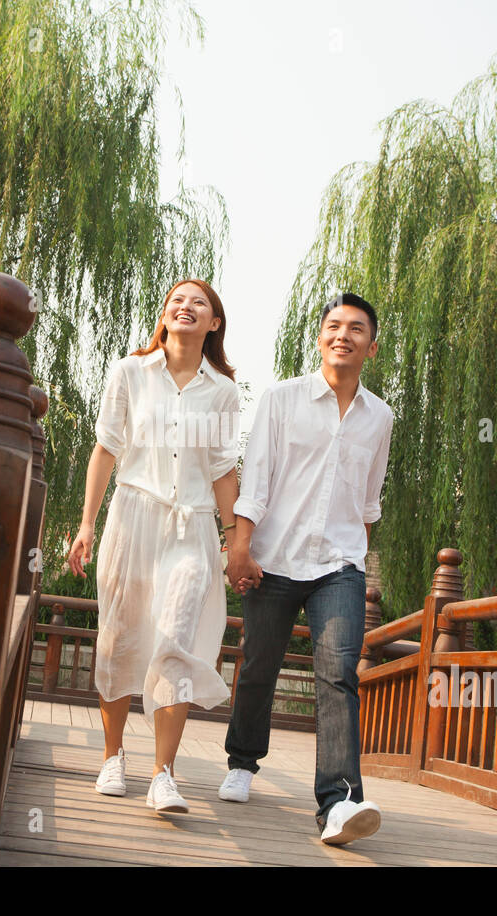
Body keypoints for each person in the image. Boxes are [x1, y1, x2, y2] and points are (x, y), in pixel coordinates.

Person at [219, 292, 393, 846]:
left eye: (357, 328)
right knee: (259, 664)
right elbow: (259, 478)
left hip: (339, 564)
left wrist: (356, 558)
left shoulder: (380, 417)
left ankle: (339, 802)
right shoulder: (282, 399)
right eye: (334, 326)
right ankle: (243, 759)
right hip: (274, 557)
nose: (344, 335)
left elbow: (369, 504)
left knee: (338, 673)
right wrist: (240, 547)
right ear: (320, 337)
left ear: (371, 343)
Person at [66, 279, 241, 815]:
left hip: (192, 528)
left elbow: (222, 471)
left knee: (178, 641)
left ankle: (164, 773)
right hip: (132, 518)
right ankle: (112, 755)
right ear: (164, 316)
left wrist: (234, 541)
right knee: (119, 639)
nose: (185, 307)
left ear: (214, 323)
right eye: (176, 301)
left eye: (199, 303)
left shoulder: (224, 392)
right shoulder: (129, 373)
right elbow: (105, 450)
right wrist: (86, 526)